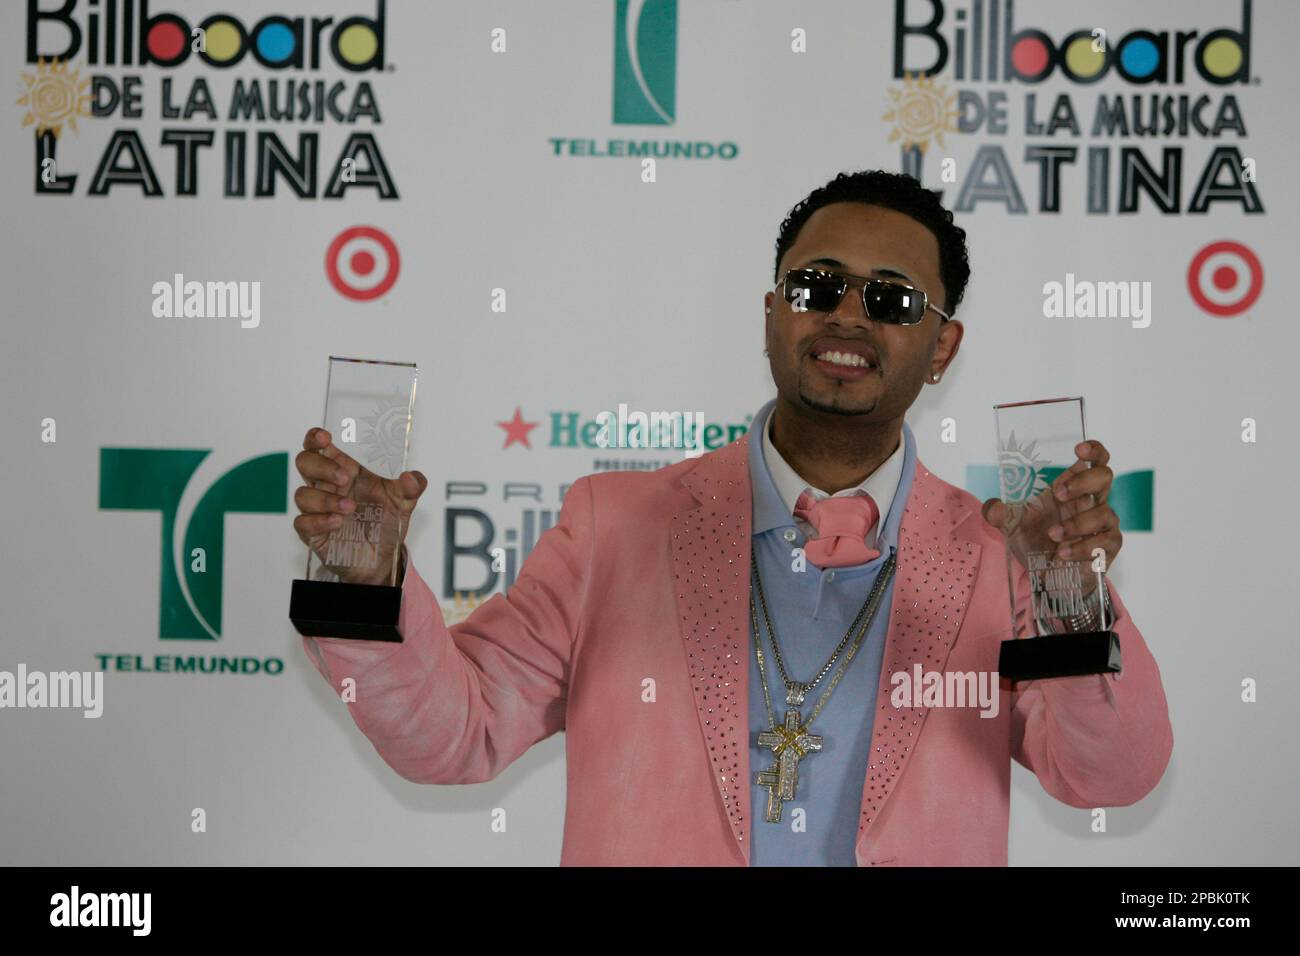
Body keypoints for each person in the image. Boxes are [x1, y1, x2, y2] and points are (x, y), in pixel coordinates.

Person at [292, 170, 1173, 866]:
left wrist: (1068, 591)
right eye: (815, 285)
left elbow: (1109, 777)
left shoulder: (997, 549)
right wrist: (366, 579)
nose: (845, 315)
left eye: (893, 300)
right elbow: (455, 734)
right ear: (771, 311)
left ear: (942, 346)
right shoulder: (616, 527)